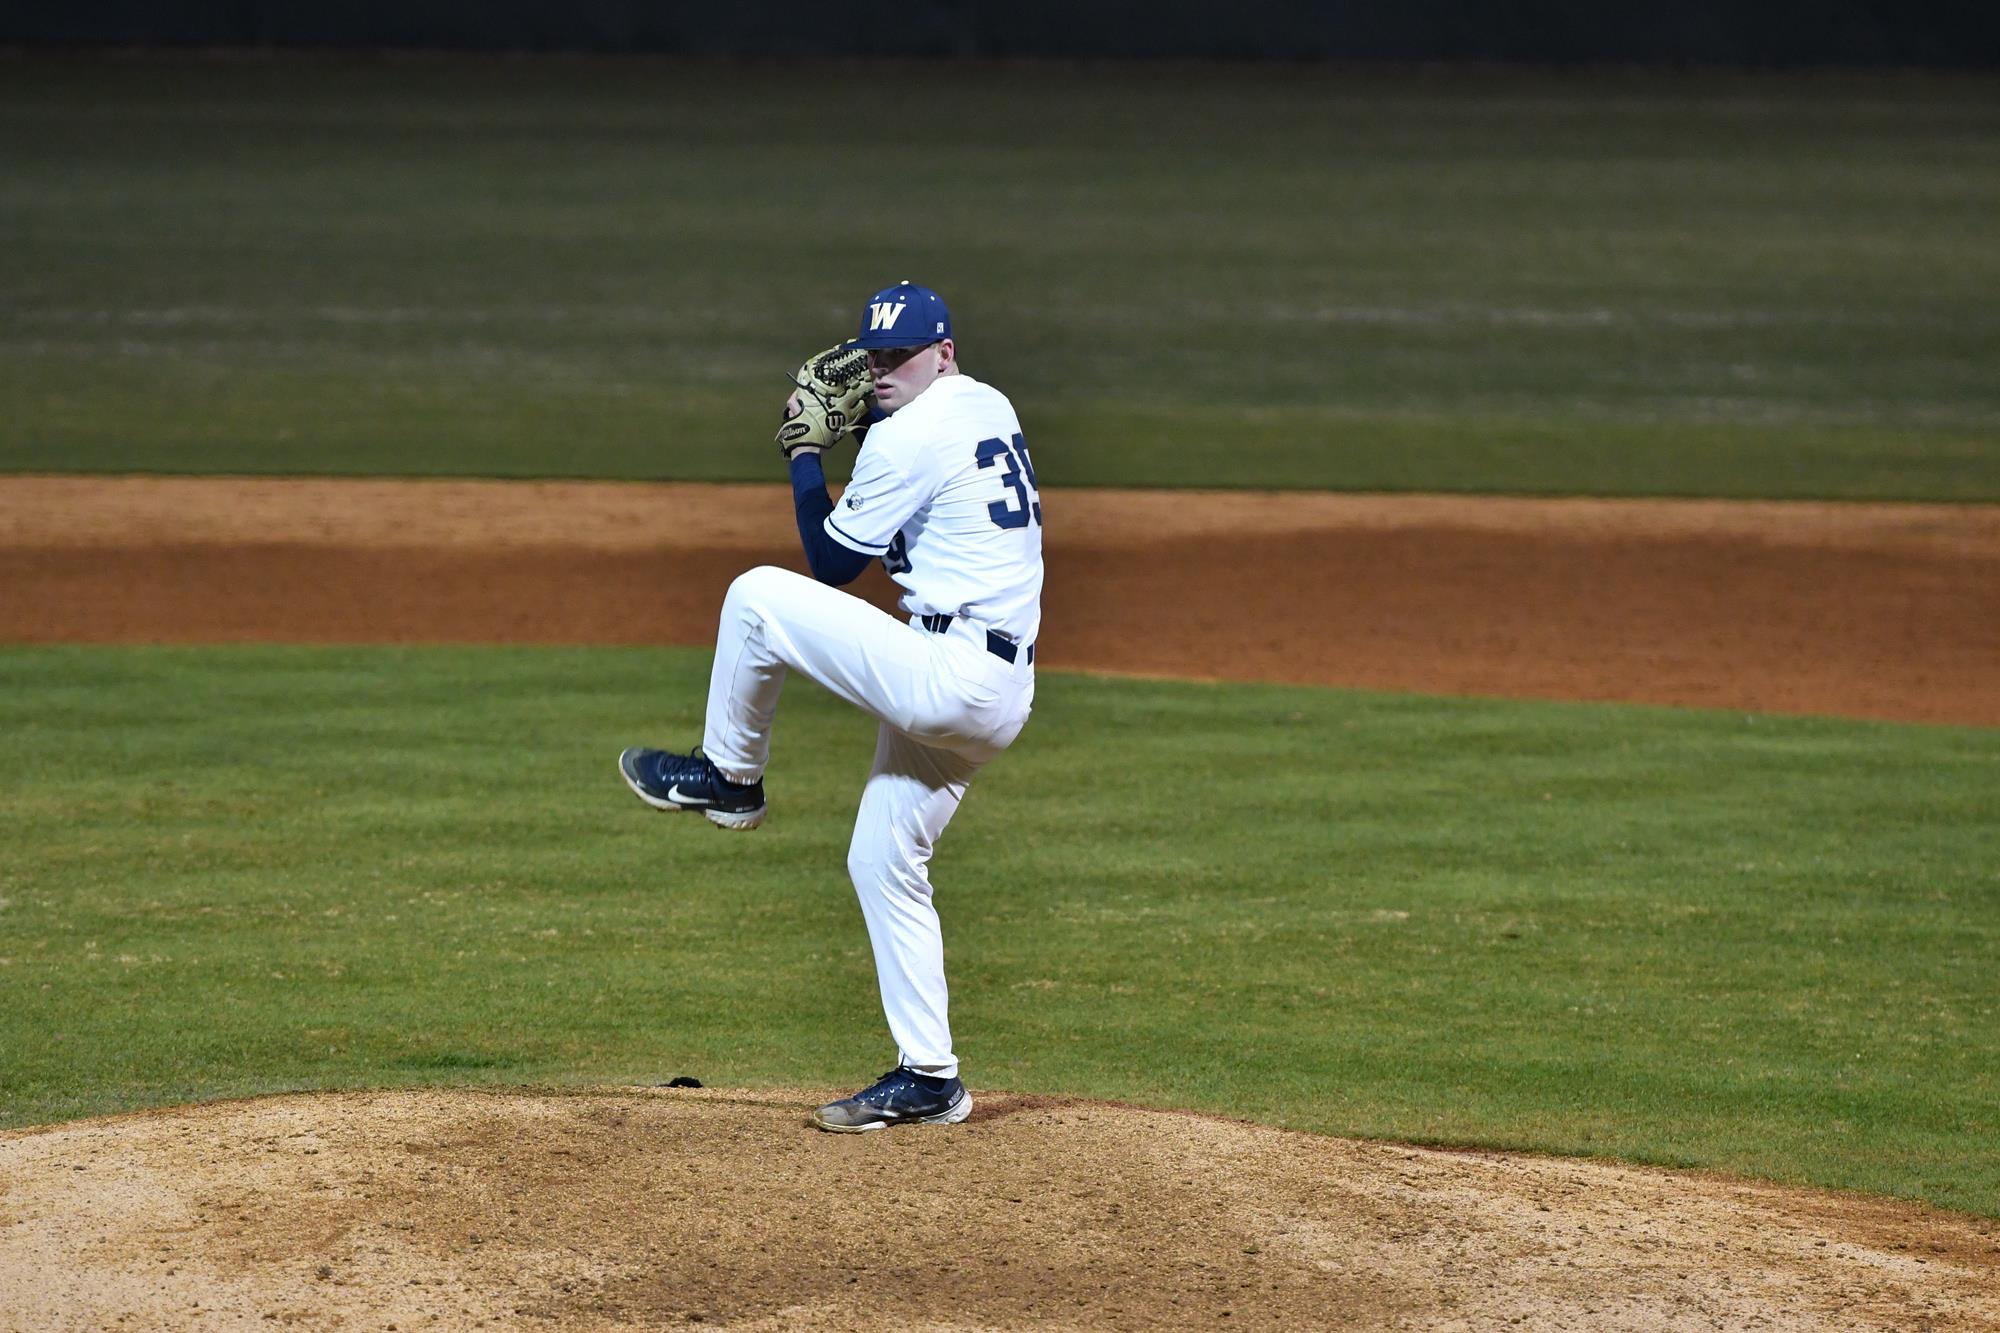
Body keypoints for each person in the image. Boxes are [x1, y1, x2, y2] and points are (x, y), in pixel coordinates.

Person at [618, 280, 1044, 1133]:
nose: (883, 368)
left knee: (757, 595)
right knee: (881, 857)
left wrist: (806, 454)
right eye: (876, 355)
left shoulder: (908, 436)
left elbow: (831, 561)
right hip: (1000, 690)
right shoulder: (983, 404)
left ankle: (730, 777)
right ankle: (930, 1076)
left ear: (943, 352)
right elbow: (908, 525)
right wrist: (872, 431)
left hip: (949, 675)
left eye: (902, 355)